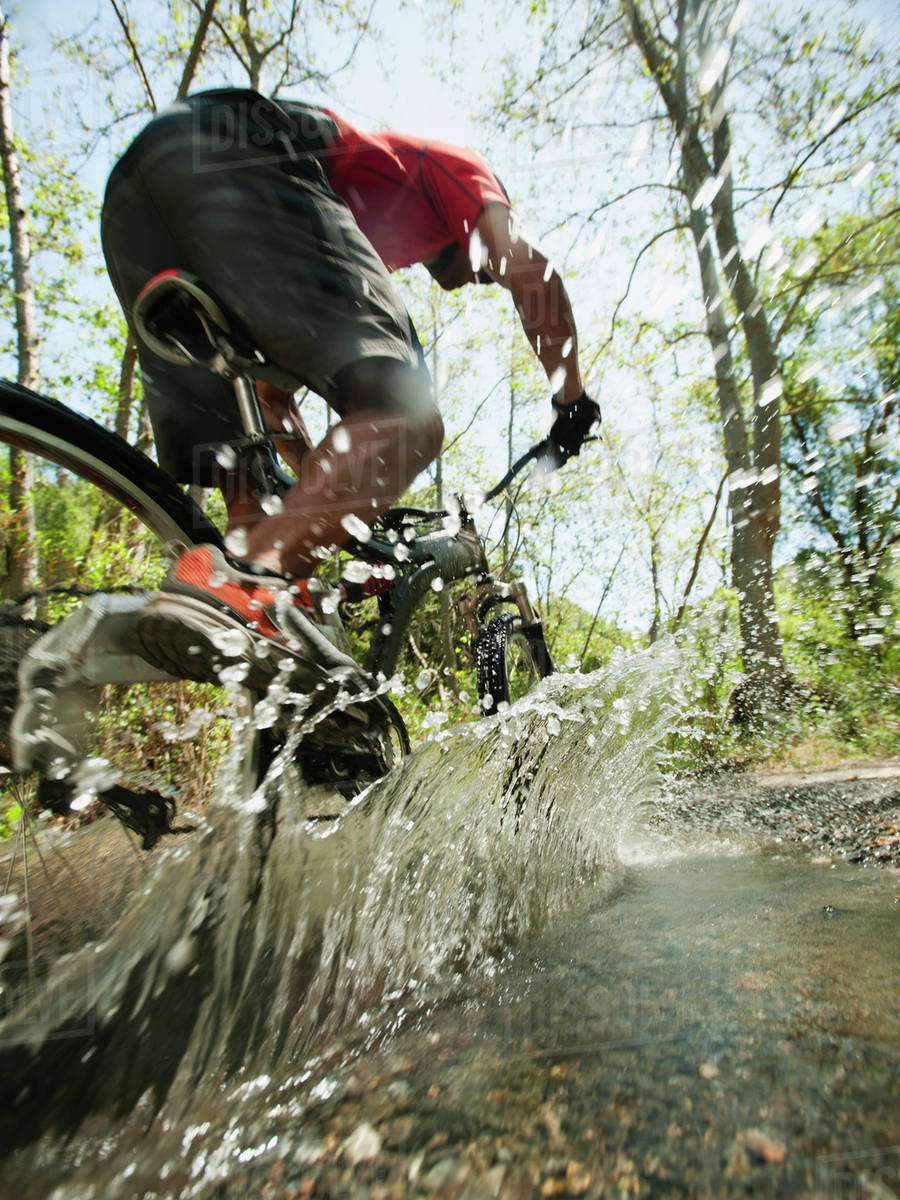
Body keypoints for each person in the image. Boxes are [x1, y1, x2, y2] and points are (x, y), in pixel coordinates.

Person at [101, 88, 599, 682]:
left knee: (245, 490)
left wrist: (323, 483)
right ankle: (248, 583)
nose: (480, 280)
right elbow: (529, 273)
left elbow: (272, 399)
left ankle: (246, 638)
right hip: (233, 149)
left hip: (137, 194)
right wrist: (571, 401)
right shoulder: (451, 169)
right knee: (409, 421)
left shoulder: (340, 243)